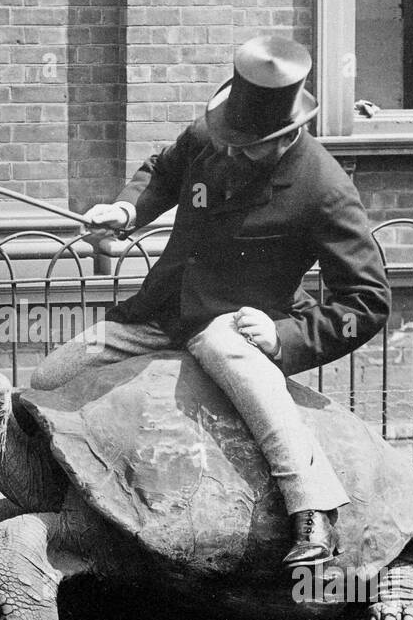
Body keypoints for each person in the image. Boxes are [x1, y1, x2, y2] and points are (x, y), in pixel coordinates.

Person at [29, 34, 391, 566]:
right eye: (226, 137)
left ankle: (312, 509)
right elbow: (162, 169)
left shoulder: (323, 187)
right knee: (49, 378)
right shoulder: (211, 135)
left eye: (246, 145)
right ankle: (62, 505)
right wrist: (127, 211)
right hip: (161, 310)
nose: (228, 150)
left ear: (286, 134)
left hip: (238, 324)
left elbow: (367, 298)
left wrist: (284, 336)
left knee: (232, 353)